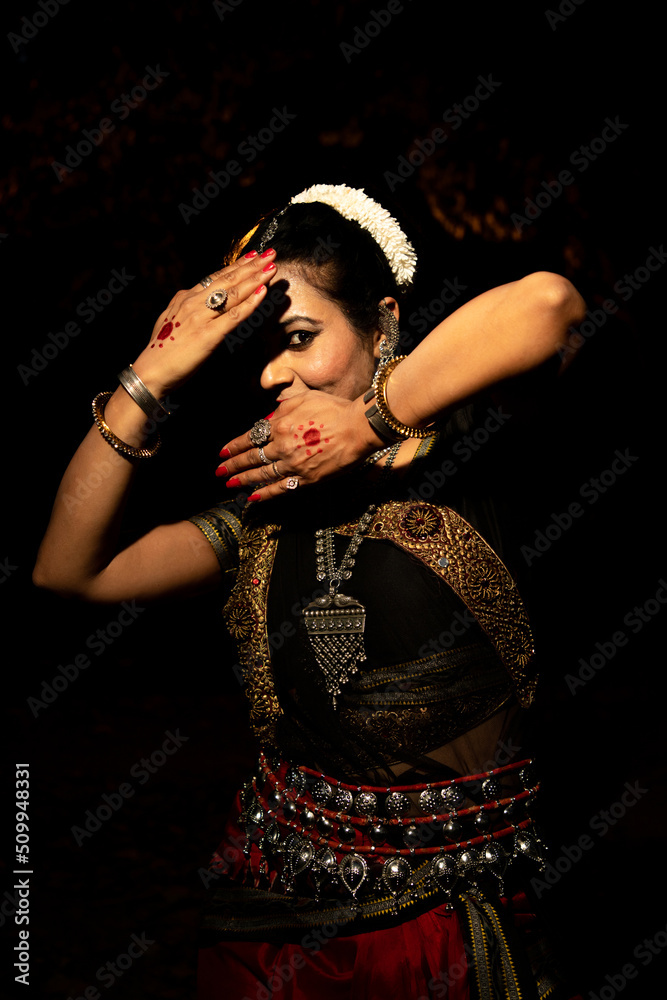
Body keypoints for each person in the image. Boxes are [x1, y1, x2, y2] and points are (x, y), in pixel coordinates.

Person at [34, 184, 586, 999]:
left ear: (384, 322)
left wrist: (369, 423)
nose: (269, 372)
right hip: (268, 921)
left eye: (298, 337)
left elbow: (551, 303)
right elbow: (69, 570)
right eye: (253, 351)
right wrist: (150, 376)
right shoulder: (261, 515)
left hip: (438, 936)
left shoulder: (475, 454)